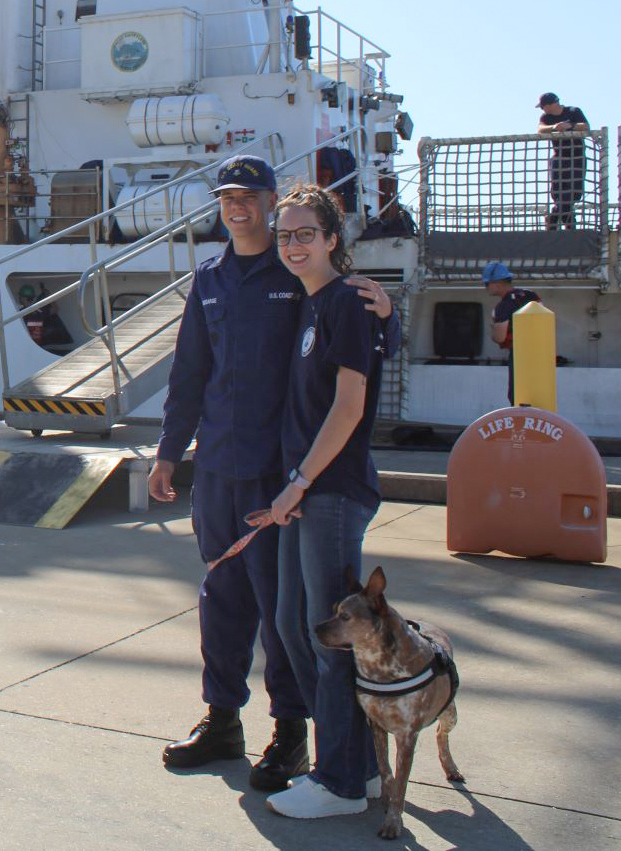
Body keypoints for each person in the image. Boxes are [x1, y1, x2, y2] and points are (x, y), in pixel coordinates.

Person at [149, 155, 395, 793]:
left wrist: (388, 320)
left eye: (251, 196)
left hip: (277, 472)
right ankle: (223, 719)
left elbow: (347, 338)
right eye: (228, 196)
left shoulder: (296, 273)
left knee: (282, 612)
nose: (239, 208)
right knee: (222, 598)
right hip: (219, 468)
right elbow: (188, 374)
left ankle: (290, 733)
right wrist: (169, 451)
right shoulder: (208, 280)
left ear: (268, 202)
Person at [251, 183, 388, 821]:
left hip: (329, 490)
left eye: (306, 233)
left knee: (330, 636)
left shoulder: (347, 305)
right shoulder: (312, 306)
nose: (294, 245)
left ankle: (339, 781)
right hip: (304, 490)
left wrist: (300, 481)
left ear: (334, 240)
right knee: (290, 626)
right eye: (285, 235)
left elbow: (350, 404)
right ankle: (351, 767)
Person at [483, 261, 541, 404]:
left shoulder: (503, 306)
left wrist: (493, 331)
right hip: (542, 354)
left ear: (497, 283)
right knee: (539, 398)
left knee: (518, 397)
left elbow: (500, 337)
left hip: (520, 356)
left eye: (486, 284)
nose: (486, 288)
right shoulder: (530, 295)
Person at [536, 92, 590, 230]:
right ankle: (568, 227)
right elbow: (540, 129)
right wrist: (555, 127)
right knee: (559, 195)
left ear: (550, 105)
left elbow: (585, 126)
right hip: (559, 158)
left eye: (543, 107)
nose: (542, 110)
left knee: (573, 194)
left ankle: (553, 219)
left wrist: (569, 126)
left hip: (577, 158)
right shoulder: (546, 117)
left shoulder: (573, 111)